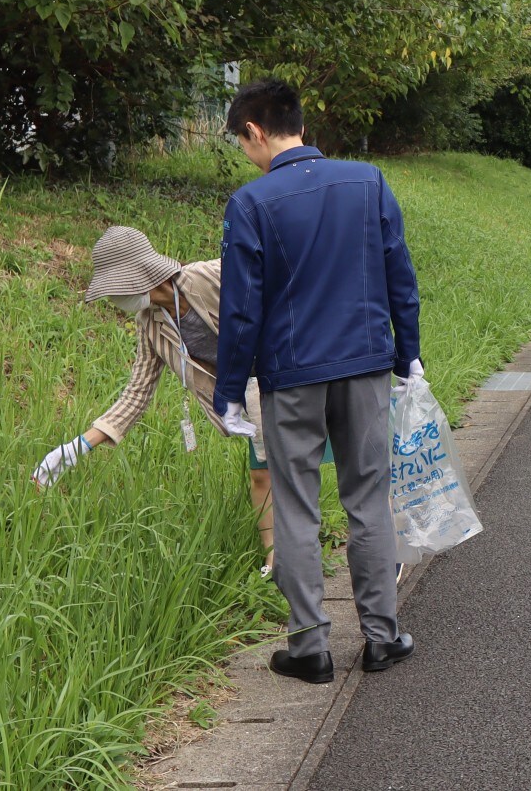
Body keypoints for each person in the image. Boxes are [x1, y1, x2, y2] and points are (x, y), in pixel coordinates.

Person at [214, 79, 422, 685]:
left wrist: (230, 391)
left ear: (255, 130)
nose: (246, 155)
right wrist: (408, 357)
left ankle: (310, 649)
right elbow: (399, 275)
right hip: (365, 366)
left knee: (298, 509)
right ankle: (382, 638)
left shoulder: (252, 204)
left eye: (242, 142)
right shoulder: (368, 181)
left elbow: (241, 310)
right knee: (368, 500)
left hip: (290, 374)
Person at [32, 226, 285, 578]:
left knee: (308, 463)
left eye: (115, 289)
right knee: (262, 475)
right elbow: (136, 394)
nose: (114, 300)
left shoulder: (212, 277)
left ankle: (322, 546)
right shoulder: (150, 323)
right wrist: (75, 449)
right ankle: (275, 561)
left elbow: (279, 290)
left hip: (289, 374)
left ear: (138, 277)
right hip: (250, 398)